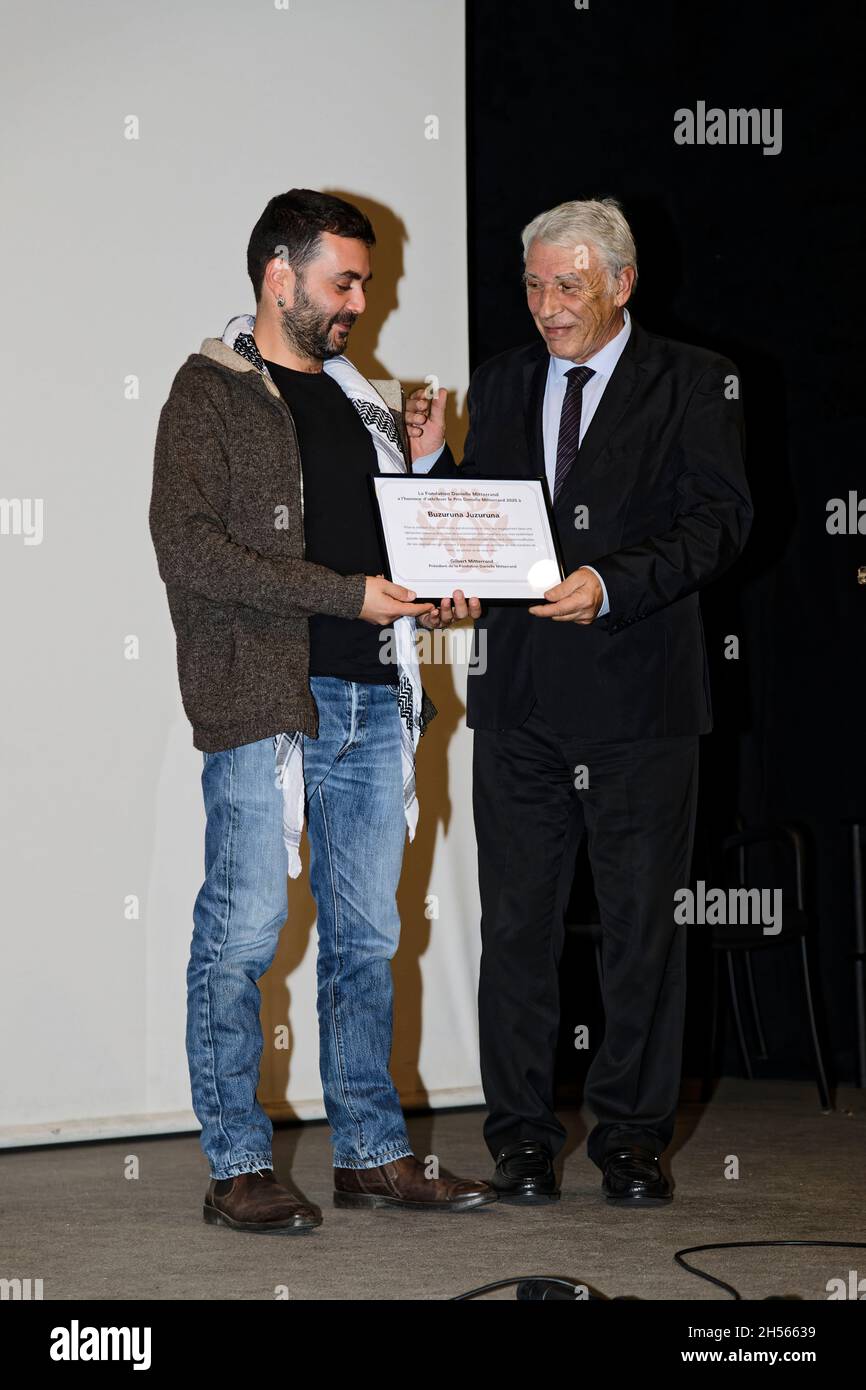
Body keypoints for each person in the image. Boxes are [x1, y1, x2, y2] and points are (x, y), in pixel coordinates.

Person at [149, 188, 495, 1233]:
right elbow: (190, 550)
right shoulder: (205, 393)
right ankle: (237, 1162)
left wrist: (434, 495)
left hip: (374, 698)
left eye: (365, 282)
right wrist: (344, 594)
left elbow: (394, 547)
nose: (359, 301)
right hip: (266, 698)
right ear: (277, 275)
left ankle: (371, 1153)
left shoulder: (364, 402)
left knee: (363, 937)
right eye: (342, 281)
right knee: (244, 930)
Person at [407, 197, 753, 1205]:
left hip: (639, 703)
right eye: (532, 286)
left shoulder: (692, 381)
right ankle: (518, 1137)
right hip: (516, 702)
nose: (547, 308)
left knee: (641, 927)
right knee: (515, 926)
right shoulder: (505, 379)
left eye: (567, 285)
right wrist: (434, 467)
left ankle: (630, 1139)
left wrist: (611, 582)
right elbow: (493, 520)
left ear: (620, 284)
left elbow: (718, 522)